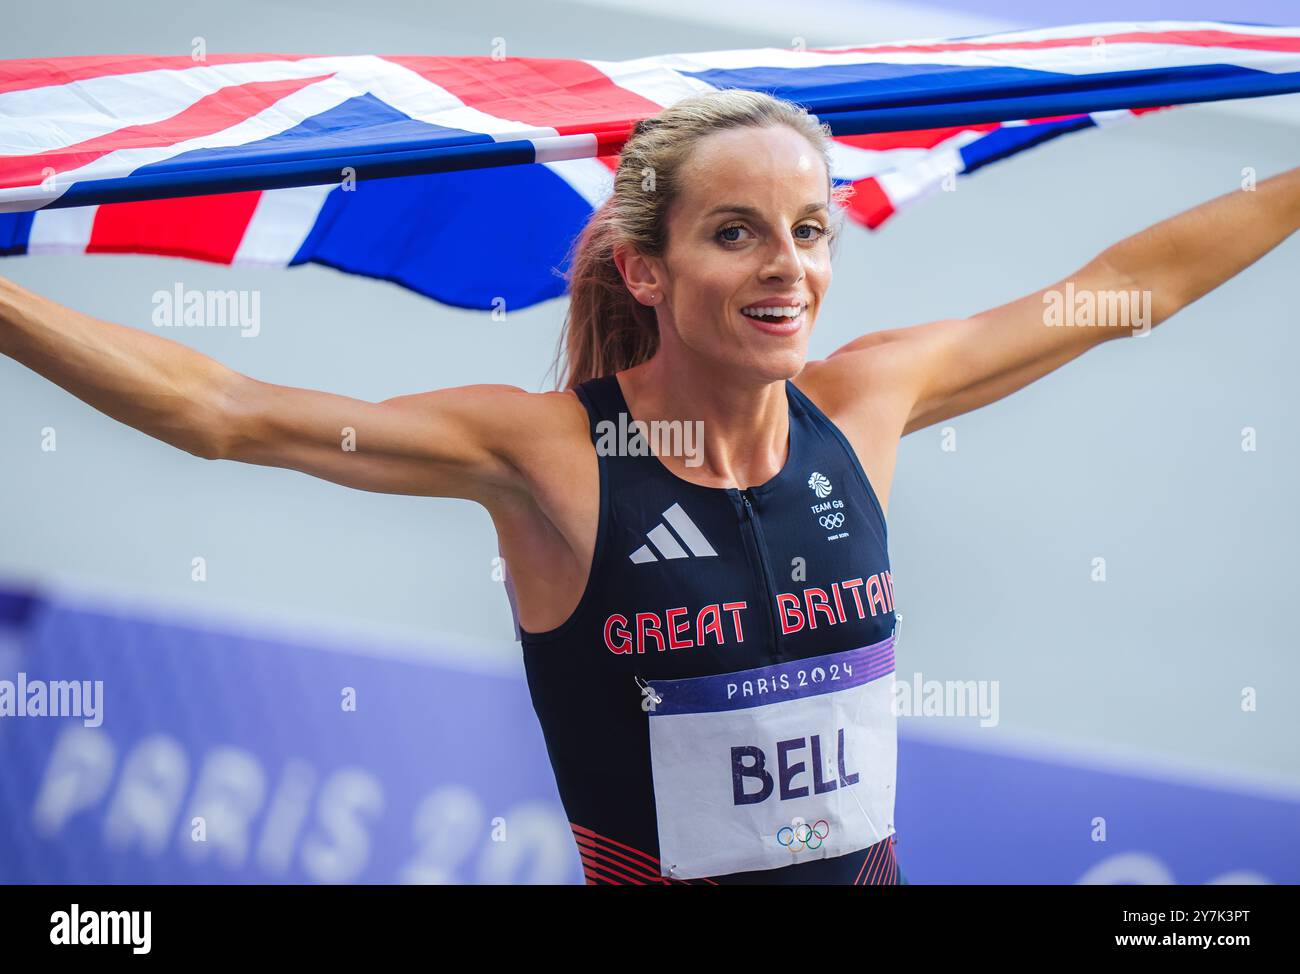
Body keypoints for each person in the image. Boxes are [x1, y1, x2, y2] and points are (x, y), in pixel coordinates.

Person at [1, 88, 1296, 885]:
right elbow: (227, 415)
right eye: (734, 231)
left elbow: (1141, 288)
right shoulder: (548, 456)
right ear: (646, 270)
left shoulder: (867, 402)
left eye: (807, 229)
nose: (785, 265)